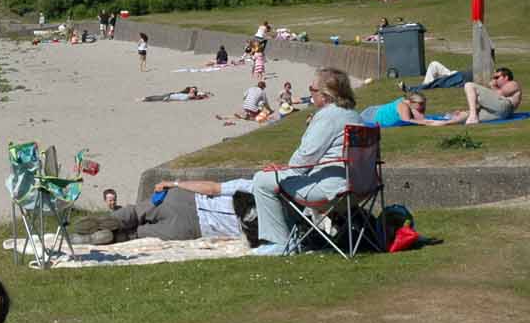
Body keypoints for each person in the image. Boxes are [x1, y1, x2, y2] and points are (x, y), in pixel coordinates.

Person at [248, 68, 366, 255]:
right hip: (362, 187)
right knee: (284, 180)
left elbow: (304, 157)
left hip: (332, 190)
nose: (310, 93)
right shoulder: (355, 115)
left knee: (262, 180)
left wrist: (283, 169)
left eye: (312, 89)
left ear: (326, 95)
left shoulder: (328, 116)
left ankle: (280, 242)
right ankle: (301, 233)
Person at [73, 179, 253, 245]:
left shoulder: (253, 187)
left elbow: (212, 189)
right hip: (192, 228)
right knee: (136, 235)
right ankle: (95, 239)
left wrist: (175, 184)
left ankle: (106, 221)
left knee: (136, 212)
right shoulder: (272, 229)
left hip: (184, 199)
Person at [361, 93, 462, 127]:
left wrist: (449, 116)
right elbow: (408, 121)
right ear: (413, 103)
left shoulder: (413, 105)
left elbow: (423, 118)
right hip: (370, 115)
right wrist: (428, 123)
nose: (423, 108)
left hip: (378, 109)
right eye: (421, 105)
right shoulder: (403, 106)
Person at [142, 86, 211, 102]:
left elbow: (198, 96)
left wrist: (205, 94)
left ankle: (145, 99)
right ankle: (144, 98)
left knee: (158, 98)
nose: (192, 90)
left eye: (194, 90)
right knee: (158, 97)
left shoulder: (192, 95)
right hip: (171, 95)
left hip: (171, 97)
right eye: (192, 89)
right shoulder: (186, 93)